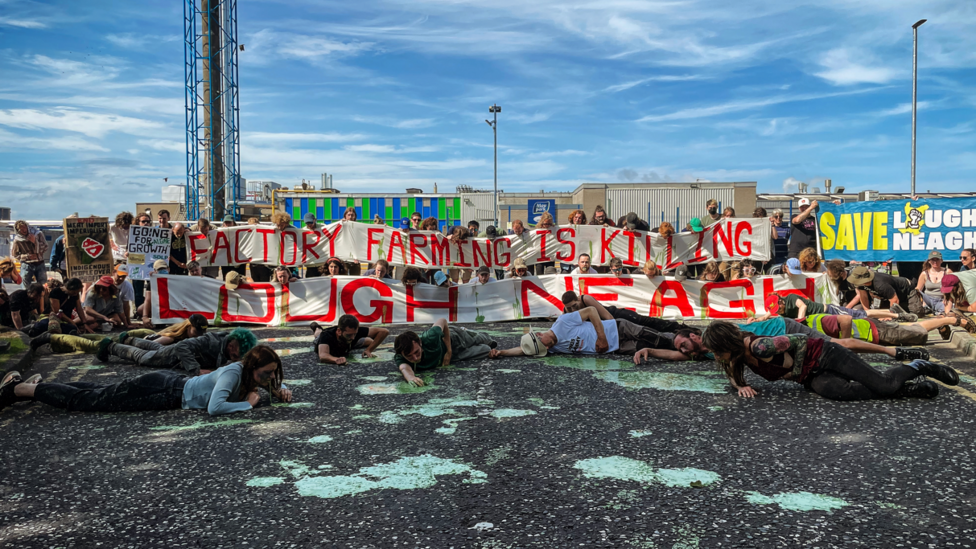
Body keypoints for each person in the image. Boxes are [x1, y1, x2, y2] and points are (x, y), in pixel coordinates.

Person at [701, 321, 957, 401]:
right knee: (839, 392)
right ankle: (906, 391)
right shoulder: (736, 356)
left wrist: (795, 371)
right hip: (811, 374)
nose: (716, 356)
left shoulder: (759, 346)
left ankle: (919, 367)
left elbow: (801, 339)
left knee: (883, 384)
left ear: (727, 345)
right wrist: (740, 385)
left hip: (826, 354)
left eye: (717, 351)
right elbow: (729, 369)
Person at [1, 345, 292, 414]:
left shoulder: (250, 375)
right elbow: (215, 407)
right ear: (252, 366)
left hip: (168, 386)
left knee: (99, 390)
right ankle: (20, 389)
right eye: (266, 373)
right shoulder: (233, 372)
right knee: (90, 401)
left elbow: (263, 382)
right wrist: (247, 405)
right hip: (163, 391)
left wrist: (280, 390)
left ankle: (33, 387)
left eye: (272, 374)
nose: (269, 378)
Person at [97, 326, 256, 375]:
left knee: (157, 347)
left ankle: (128, 339)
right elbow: (182, 347)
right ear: (231, 346)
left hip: (177, 353)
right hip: (176, 355)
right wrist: (195, 369)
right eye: (236, 355)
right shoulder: (210, 342)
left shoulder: (225, 343)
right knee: (144, 357)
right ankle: (110, 346)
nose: (237, 358)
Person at [31, 315, 207, 355]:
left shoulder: (178, 331)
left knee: (95, 339)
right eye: (196, 331)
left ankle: (58, 339)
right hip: (138, 338)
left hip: (143, 334)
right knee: (94, 346)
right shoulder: (172, 338)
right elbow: (151, 345)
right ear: (189, 327)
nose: (198, 335)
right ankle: (51, 337)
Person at [394, 319, 497, 386]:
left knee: (488, 341)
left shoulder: (430, 337)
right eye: (409, 356)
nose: (415, 358)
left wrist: (448, 351)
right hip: (455, 356)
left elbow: (443, 321)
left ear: (420, 343)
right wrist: (411, 378)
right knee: (486, 350)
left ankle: (465, 330)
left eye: (416, 352)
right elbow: (404, 368)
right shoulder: (400, 356)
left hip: (455, 338)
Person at [803, 311, 974, 345]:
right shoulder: (807, 320)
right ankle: (943, 320)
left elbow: (846, 319)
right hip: (870, 328)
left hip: (873, 332)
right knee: (910, 329)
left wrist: (846, 344)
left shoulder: (812, 322)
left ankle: (953, 319)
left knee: (917, 333)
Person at [310, 314, 389, 365]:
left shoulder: (353, 333)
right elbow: (323, 356)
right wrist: (336, 359)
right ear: (339, 331)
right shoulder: (327, 335)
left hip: (347, 343)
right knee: (318, 334)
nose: (353, 337)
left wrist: (369, 350)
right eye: (349, 335)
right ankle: (316, 327)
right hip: (329, 344)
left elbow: (384, 331)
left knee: (370, 342)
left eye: (355, 334)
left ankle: (351, 340)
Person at [848, 266, 924, 316]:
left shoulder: (880, 285)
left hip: (906, 291)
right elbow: (863, 296)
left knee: (917, 313)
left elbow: (894, 300)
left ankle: (914, 307)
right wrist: (867, 312)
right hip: (887, 297)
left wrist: (890, 316)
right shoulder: (860, 285)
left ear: (865, 281)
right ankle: (900, 309)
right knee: (880, 314)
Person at [12, 220, 49, 285]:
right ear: (18, 230)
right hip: (26, 264)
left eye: (24, 227)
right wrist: (27, 256)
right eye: (21, 229)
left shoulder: (38, 234)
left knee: (43, 284)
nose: (24, 230)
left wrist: (35, 242)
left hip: (39, 263)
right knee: (25, 284)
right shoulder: (17, 239)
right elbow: (14, 254)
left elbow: (45, 247)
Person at [245, 218, 272, 282]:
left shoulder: (264, 234)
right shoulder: (247, 235)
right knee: (255, 281)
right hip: (253, 263)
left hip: (263, 263)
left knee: (264, 282)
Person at [301, 213, 326, 278]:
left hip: (322, 262)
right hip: (310, 264)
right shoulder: (303, 231)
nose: (309, 225)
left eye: (310, 222)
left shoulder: (323, 227)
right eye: (307, 223)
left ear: (315, 220)